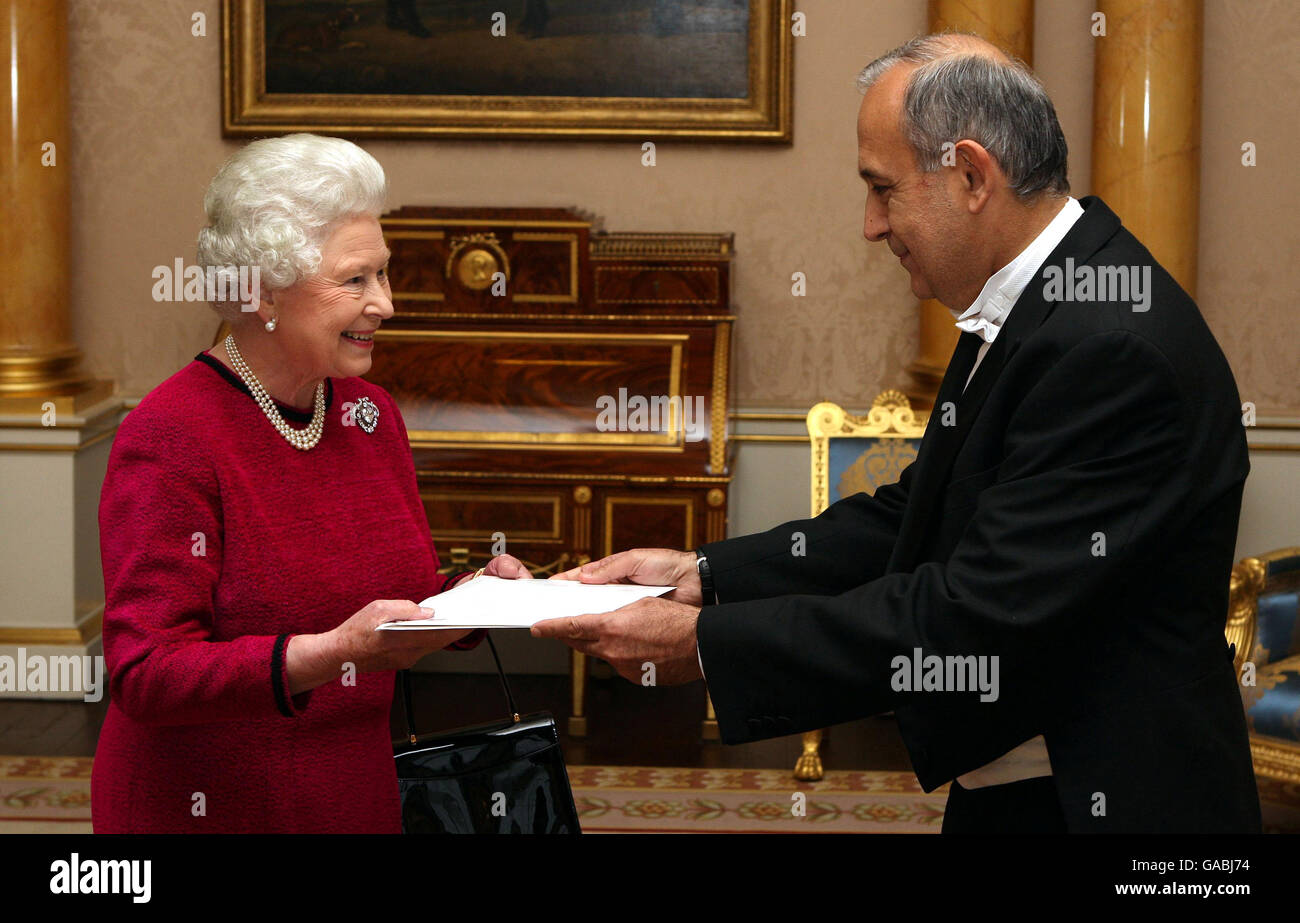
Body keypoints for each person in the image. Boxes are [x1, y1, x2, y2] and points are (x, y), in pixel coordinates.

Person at [533, 33, 1261, 833]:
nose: (871, 226)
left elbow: (968, 616)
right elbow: (917, 518)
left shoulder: (1110, 346)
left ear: (972, 175)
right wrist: (707, 572)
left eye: (883, 190)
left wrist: (705, 643)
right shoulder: (1039, 300)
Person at [92, 134, 532, 833]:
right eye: (355, 280)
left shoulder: (369, 413)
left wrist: (470, 600)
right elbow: (147, 672)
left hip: (354, 793)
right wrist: (333, 652)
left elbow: (392, 597)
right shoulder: (171, 435)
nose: (386, 304)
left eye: (383, 275)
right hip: (210, 806)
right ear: (262, 290)